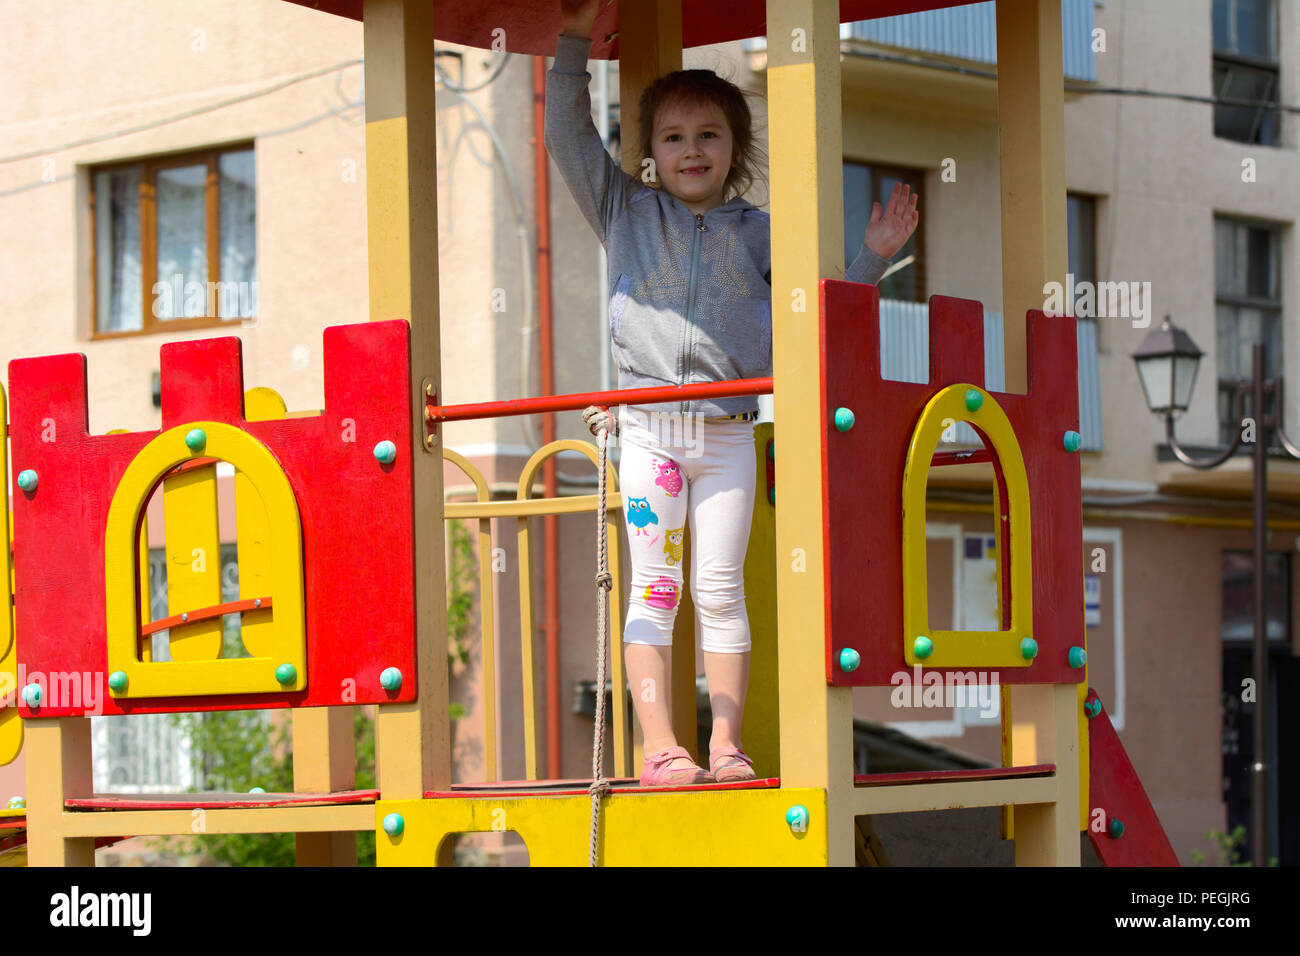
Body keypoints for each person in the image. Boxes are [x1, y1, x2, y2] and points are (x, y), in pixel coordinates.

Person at [549, 0, 920, 786]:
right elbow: (568, 136)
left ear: (734, 148)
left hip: (726, 435)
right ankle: (659, 746)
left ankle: (725, 746)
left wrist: (871, 257)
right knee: (654, 589)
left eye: (709, 135)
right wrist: (575, 43)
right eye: (674, 137)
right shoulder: (625, 210)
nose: (692, 151)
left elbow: (811, 314)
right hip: (649, 430)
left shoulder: (758, 232)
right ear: (648, 150)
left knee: (719, 588)